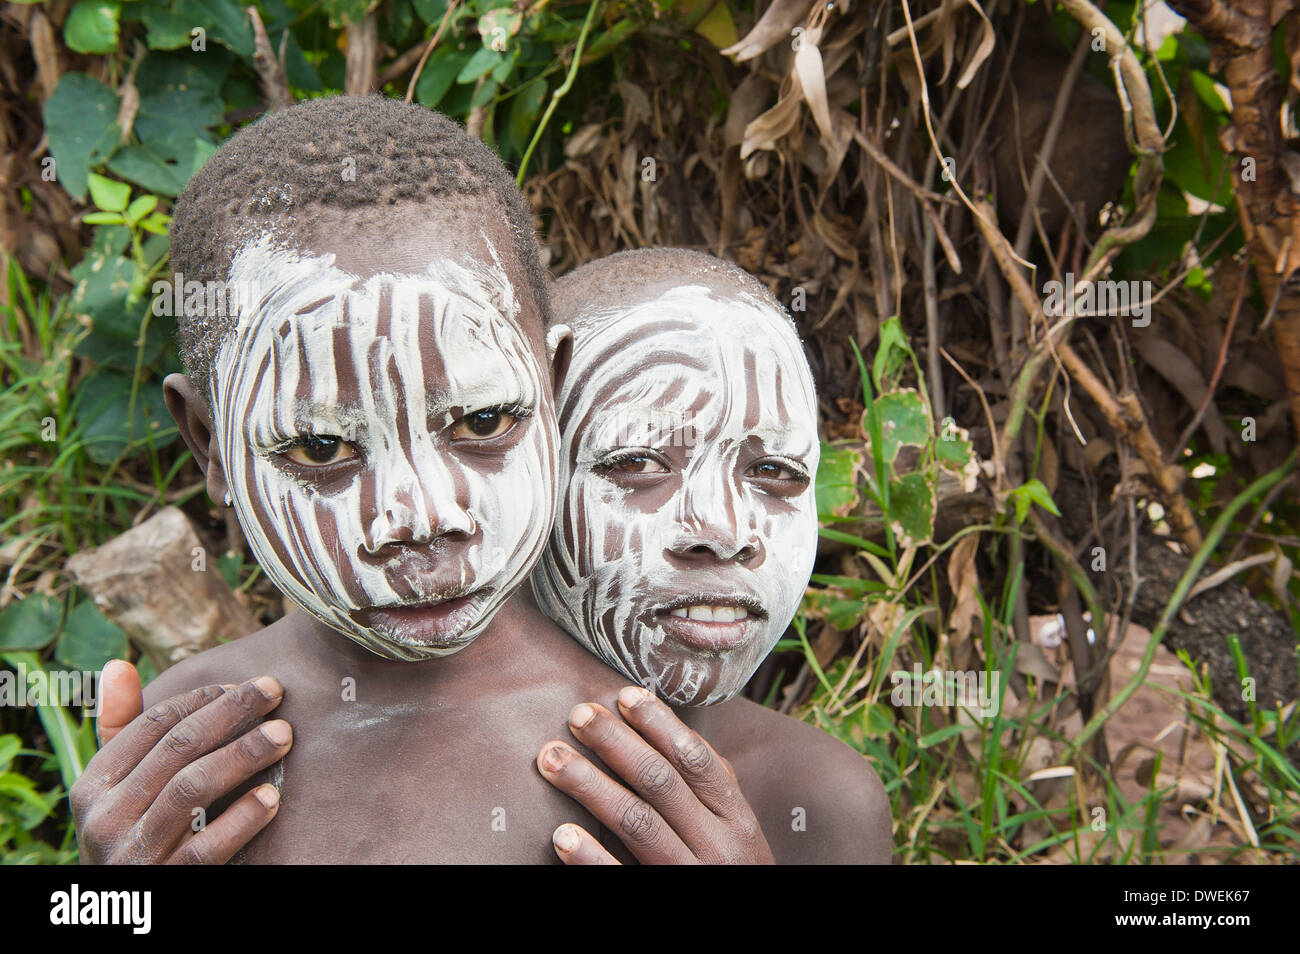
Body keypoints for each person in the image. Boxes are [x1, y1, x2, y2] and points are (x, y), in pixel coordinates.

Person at [72, 96, 889, 864]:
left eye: (484, 423)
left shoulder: (694, 778)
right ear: (209, 444)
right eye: (321, 447)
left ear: (551, 381)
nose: (422, 517)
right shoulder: (188, 749)